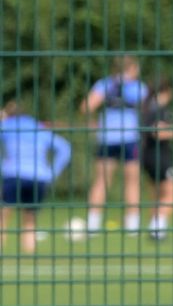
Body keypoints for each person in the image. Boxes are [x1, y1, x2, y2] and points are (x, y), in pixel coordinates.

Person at [80, 55, 147, 235]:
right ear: (132, 68)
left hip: (107, 137)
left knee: (101, 181)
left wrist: (94, 123)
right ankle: (132, 225)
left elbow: (86, 106)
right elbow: (149, 109)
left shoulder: (105, 84)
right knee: (132, 182)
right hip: (129, 137)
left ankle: (93, 224)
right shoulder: (138, 87)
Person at [1, 101, 71, 254]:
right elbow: (65, 148)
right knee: (30, 219)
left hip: (14, 174)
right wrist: (51, 172)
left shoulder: (7, 126)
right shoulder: (38, 127)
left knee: (3, 216)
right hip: (38, 176)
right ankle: (29, 254)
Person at [138, 77, 173, 241]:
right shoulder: (160, 109)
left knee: (157, 194)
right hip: (160, 156)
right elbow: (157, 131)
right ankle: (157, 226)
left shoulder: (146, 108)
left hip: (146, 155)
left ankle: (156, 228)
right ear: (166, 91)